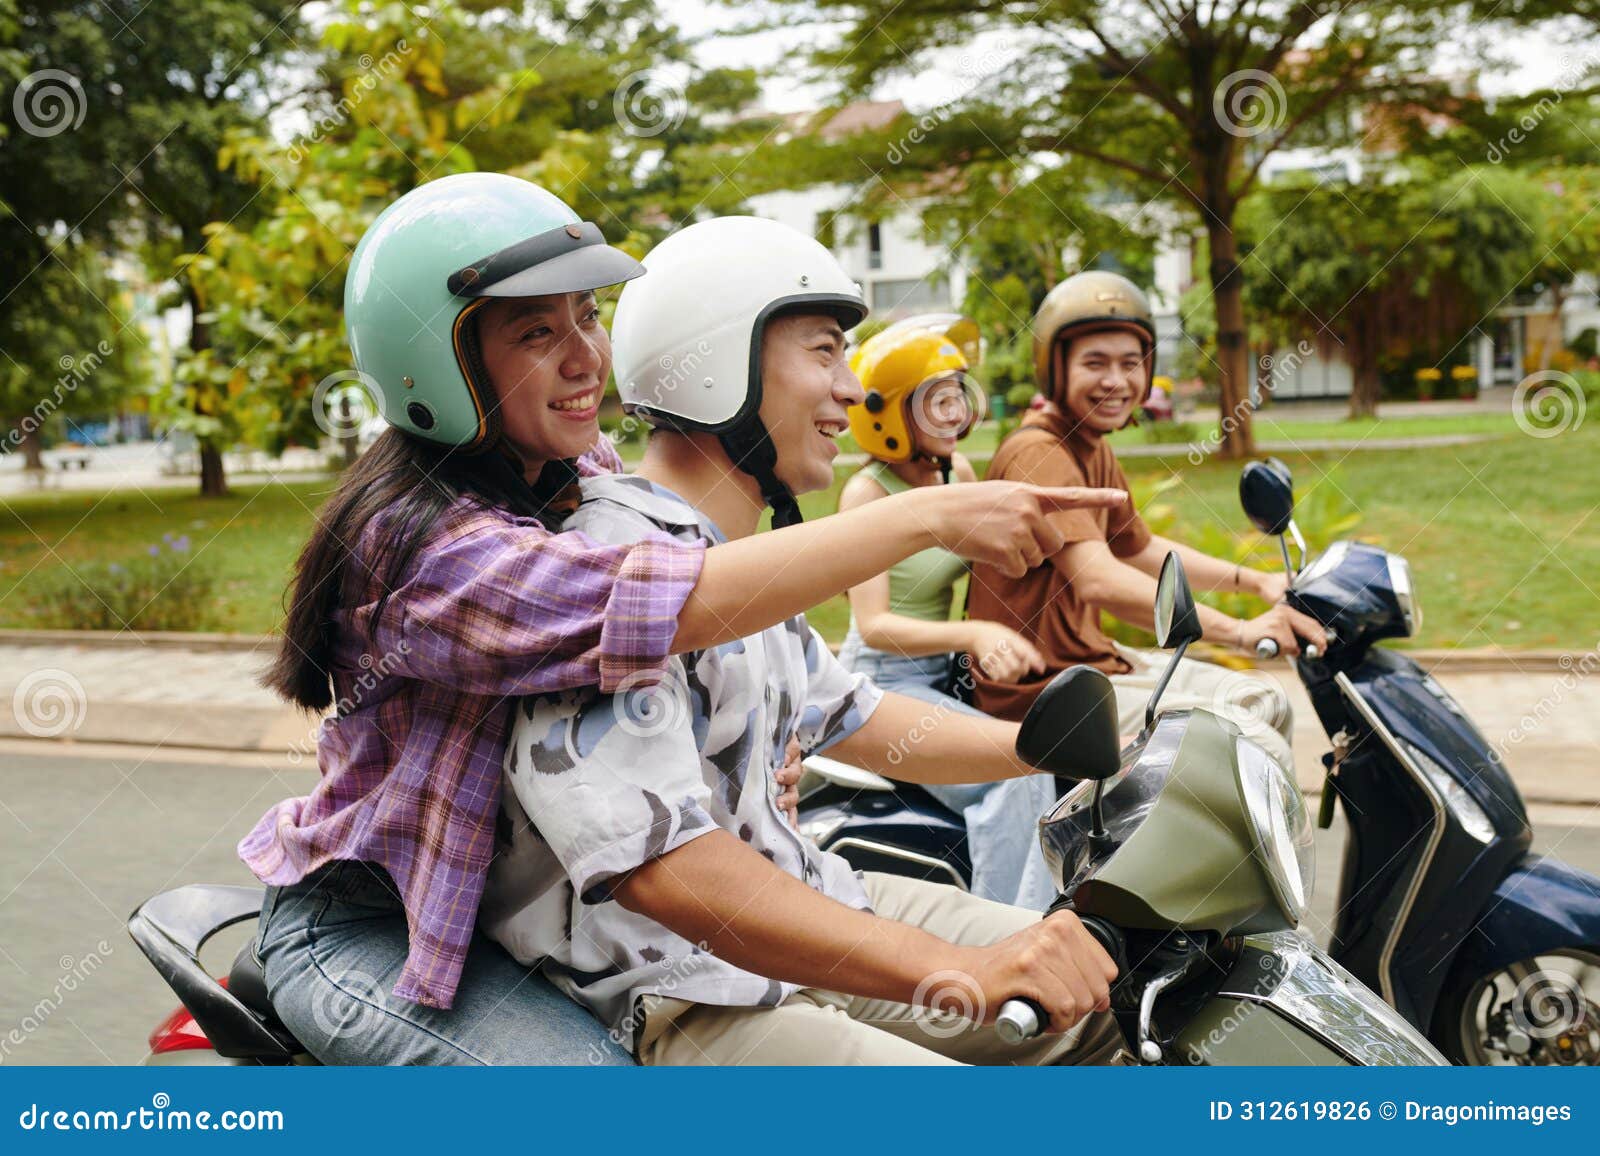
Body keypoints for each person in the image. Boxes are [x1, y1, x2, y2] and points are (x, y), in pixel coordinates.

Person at [241, 175, 1119, 1065]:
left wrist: (1037, 750)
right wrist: (923, 519)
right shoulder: (432, 547)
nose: (587, 357)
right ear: (439, 361)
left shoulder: (585, 482)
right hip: (381, 926)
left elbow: (821, 696)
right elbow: (657, 605)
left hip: (558, 915)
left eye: (587, 315)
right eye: (537, 332)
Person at [481, 216, 1131, 1067]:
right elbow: (666, 871)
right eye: (825, 352)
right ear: (721, 364)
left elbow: (857, 715)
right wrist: (965, 968)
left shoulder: (741, 562)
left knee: (1127, 992)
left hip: (804, 901)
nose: (853, 390)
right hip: (675, 990)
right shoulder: (610, 569)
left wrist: (1047, 751)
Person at [965, 270, 1325, 768]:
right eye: (1096, 363)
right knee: (1249, 743)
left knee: (1268, 703)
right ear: (1054, 368)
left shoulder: (1091, 446)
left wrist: (1257, 582)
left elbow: (1140, 550)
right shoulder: (1039, 452)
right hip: (1041, 691)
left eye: (1131, 364)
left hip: (1089, 666)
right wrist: (1240, 632)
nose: (1117, 381)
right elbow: (1102, 583)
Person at [835, 317, 1057, 909]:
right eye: (935, 402)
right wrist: (976, 632)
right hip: (883, 683)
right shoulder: (867, 494)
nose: (954, 414)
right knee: (1023, 772)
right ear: (887, 415)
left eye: (957, 396)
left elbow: (1000, 561)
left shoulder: (954, 473)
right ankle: (1011, 938)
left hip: (938, 677)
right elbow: (874, 626)